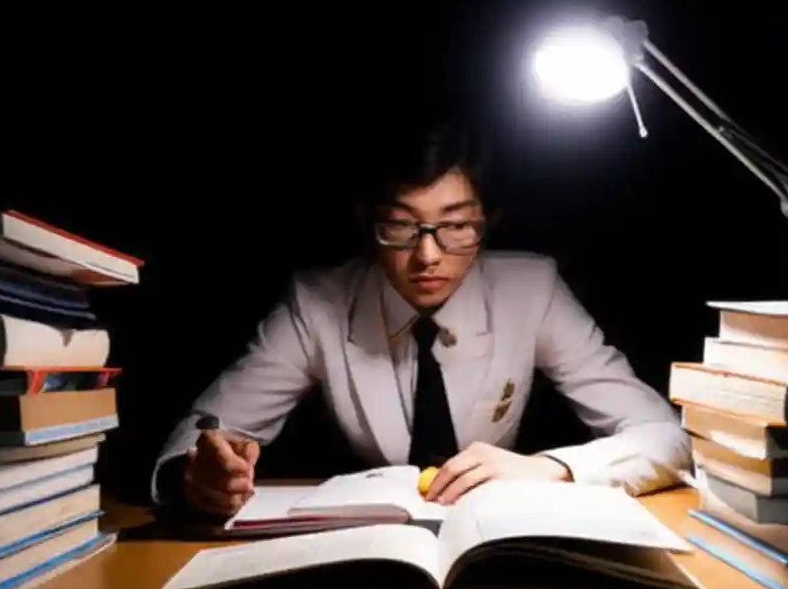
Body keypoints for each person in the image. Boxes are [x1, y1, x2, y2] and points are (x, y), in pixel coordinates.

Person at [151, 116, 690, 517]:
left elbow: (666, 437)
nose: (427, 256)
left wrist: (553, 468)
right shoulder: (316, 302)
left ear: (489, 222)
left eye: (456, 226)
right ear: (368, 223)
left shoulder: (532, 289)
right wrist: (196, 476)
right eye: (401, 227)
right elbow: (201, 437)